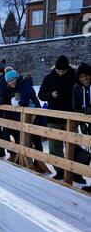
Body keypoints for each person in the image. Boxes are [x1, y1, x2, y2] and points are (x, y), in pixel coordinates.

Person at [38, 55, 76, 180]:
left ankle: (76, 172)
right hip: (53, 118)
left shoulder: (74, 76)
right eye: (58, 70)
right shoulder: (49, 78)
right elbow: (41, 94)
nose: (60, 73)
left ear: (67, 68)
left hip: (71, 118)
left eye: (63, 71)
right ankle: (60, 171)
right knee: (55, 148)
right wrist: (51, 94)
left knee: (74, 147)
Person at [0, 69, 44, 159]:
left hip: (35, 116)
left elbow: (24, 102)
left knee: (36, 139)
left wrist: (15, 103)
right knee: (26, 138)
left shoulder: (24, 85)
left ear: (17, 78)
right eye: (9, 81)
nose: (11, 82)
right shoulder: (16, 87)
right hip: (27, 117)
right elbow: (18, 100)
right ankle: (27, 159)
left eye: (12, 79)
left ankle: (39, 162)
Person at [73, 63, 91, 192]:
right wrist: (82, 123)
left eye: (86, 76)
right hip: (86, 125)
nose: (84, 79)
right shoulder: (77, 88)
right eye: (81, 77)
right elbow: (76, 106)